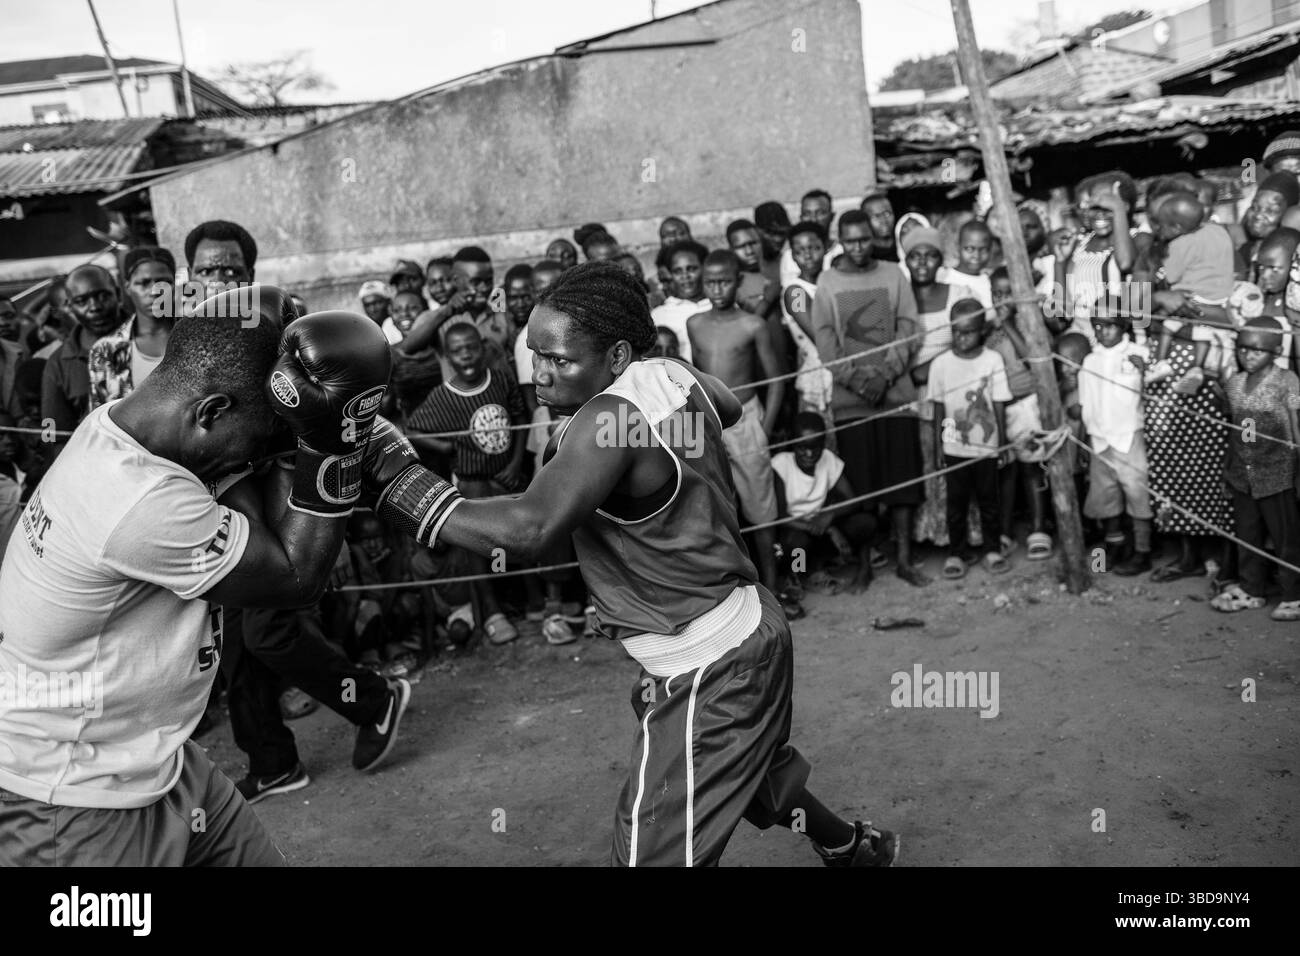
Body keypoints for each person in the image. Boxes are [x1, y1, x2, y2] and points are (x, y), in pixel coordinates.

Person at [361, 261, 899, 867]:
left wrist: (393, 484)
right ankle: (849, 848)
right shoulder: (667, 374)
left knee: (649, 854)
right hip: (736, 628)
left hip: (710, 663)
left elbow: (531, 529)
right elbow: (726, 405)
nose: (540, 375)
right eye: (534, 354)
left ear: (616, 355)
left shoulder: (604, 422)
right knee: (749, 767)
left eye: (560, 361)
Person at [0, 288, 403, 865]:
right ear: (212, 412)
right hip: (71, 797)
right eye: (268, 429)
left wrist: (300, 428)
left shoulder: (130, 428)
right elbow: (296, 575)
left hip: (160, 761)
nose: (269, 445)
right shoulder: (137, 501)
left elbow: (258, 502)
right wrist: (329, 441)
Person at [812, 210, 927, 586]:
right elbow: (825, 339)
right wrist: (858, 381)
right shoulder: (827, 282)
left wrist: (887, 374)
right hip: (851, 403)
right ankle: (864, 563)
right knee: (861, 486)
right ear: (840, 240)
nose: (859, 247)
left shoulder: (894, 274)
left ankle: (905, 561)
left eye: (864, 239)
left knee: (902, 481)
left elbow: (910, 326)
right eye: (851, 241)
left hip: (894, 396)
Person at [405, 322, 531, 646]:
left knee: (523, 536)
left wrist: (516, 462)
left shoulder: (500, 379)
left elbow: (519, 417)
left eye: (472, 348)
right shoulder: (445, 397)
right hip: (473, 484)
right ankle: (490, 611)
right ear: (448, 356)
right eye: (458, 351)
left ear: (483, 347)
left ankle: (533, 601)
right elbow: (413, 428)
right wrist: (444, 447)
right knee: (480, 547)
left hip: (508, 475)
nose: (467, 356)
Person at [686, 250, 788, 612]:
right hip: (710, 422)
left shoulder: (752, 325)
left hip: (746, 418)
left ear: (737, 281)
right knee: (717, 508)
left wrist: (764, 426)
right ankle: (733, 597)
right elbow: (695, 379)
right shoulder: (694, 323)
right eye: (710, 281)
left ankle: (774, 590)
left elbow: (776, 380)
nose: (717, 288)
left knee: (761, 507)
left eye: (724, 281)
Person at [1210, 317, 1300, 620]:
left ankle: (1293, 594)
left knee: (1286, 537)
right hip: (1242, 475)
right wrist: (1228, 470)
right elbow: (1232, 429)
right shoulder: (1234, 383)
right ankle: (1252, 589)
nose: (1248, 355)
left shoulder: (1288, 381)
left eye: (1257, 350)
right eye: (1243, 349)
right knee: (1246, 535)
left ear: (1276, 350)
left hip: (1278, 473)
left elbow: (1296, 423)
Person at [926, 298, 1012, 580]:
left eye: (969, 331)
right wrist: (940, 445)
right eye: (957, 331)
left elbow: (998, 403)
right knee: (956, 504)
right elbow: (938, 407)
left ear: (982, 331)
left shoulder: (993, 360)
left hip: (986, 448)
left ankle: (991, 549)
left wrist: (1001, 441)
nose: (962, 337)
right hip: (954, 447)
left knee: (989, 501)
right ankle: (957, 552)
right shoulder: (940, 364)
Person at [903, 226, 974, 549]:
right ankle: (932, 530)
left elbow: (972, 335)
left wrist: (929, 368)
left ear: (940, 260)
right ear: (906, 260)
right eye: (915, 257)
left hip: (955, 387)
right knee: (925, 459)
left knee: (957, 455)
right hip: (916, 395)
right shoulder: (899, 296)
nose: (922, 264)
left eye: (930, 256)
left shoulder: (958, 293)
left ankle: (964, 533)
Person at [1076, 295, 1153, 575]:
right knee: (1104, 495)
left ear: (1123, 325)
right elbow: (1086, 404)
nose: (1102, 332)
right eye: (1097, 325)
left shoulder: (1138, 354)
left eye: (1109, 325)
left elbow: (1149, 396)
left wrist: (1144, 371)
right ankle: (1112, 547)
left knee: (1137, 492)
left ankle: (1142, 551)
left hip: (1129, 436)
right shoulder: (1090, 361)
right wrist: (1086, 443)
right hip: (1100, 439)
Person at [771, 412, 876, 595]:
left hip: (822, 526)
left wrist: (830, 517)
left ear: (824, 444)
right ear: (792, 443)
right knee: (798, 544)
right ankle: (800, 574)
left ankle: (864, 569)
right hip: (795, 530)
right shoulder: (781, 464)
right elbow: (780, 517)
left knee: (865, 523)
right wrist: (820, 527)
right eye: (803, 447)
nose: (810, 454)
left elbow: (853, 501)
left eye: (815, 447)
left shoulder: (827, 459)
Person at [987, 267, 1051, 559]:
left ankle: (1039, 528)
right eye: (996, 293)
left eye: (1007, 294)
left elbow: (1033, 359)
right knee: (1006, 472)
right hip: (1001, 409)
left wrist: (1010, 323)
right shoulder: (989, 330)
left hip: (1027, 405)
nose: (1001, 300)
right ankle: (1006, 531)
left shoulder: (1028, 323)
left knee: (1032, 468)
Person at [1145, 192, 1236, 396]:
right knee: (1202, 331)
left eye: (1161, 223)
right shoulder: (1217, 231)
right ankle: (1197, 368)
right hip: (1219, 299)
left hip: (1193, 304)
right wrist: (1158, 298)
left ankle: (1161, 363)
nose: (1157, 229)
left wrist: (1161, 295)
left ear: (1177, 226)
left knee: (1171, 323)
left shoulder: (1179, 244)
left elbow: (1172, 276)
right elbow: (1132, 306)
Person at [42, 264, 130, 458]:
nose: (95, 307)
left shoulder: (146, 340)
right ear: (69, 306)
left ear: (118, 294)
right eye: (82, 301)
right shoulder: (58, 364)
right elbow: (52, 435)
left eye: (103, 296)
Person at [88, 246, 177, 410]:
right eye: (143, 283)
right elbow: (99, 417)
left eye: (164, 282)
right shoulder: (106, 350)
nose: (155, 291)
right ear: (127, 287)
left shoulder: (197, 338)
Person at [1056, 172, 1138, 344]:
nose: (1099, 214)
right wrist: (1060, 263)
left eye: (1107, 207)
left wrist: (1117, 208)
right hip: (1082, 338)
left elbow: (1124, 263)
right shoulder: (1079, 247)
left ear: (1125, 207)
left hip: (1116, 340)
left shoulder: (1135, 240)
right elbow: (1063, 308)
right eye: (1094, 207)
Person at [780, 221, 833, 415]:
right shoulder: (794, 292)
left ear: (826, 248)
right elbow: (819, 335)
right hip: (819, 373)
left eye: (814, 248)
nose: (808, 255)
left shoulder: (833, 281)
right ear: (792, 255)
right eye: (800, 250)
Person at [650, 239, 710, 364]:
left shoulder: (719, 307)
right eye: (677, 271)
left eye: (691, 269)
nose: (685, 276)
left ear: (705, 269)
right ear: (670, 274)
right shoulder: (659, 314)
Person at [780, 188, 842, 288]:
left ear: (832, 216)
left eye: (820, 213)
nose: (813, 219)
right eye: (807, 214)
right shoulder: (789, 257)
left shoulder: (842, 251)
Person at [940, 219, 994, 308]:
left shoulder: (992, 283)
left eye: (983, 250)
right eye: (969, 249)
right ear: (958, 247)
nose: (976, 256)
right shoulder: (943, 278)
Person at [0, 297, 30, 421]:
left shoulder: (31, 356)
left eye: (8, 316)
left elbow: (49, 417)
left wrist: (48, 439)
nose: (2, 323)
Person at [860, 192, 898, 263]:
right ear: (866, 220)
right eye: (876, 216)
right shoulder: (863, 255)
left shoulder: (903, 246)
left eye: (887, 214)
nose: (884, 221)